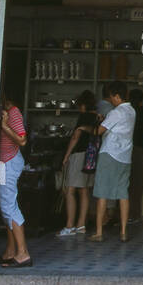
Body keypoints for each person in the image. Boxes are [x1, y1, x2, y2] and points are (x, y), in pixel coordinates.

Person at [89, 81, 135, 242]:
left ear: (117, 96)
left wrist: (93, 124)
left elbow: (99, 131)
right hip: (125, 156)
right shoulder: (132, 111)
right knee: (123, 193)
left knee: (102, 193)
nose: (110, 101)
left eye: (111, 98)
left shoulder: (116, 112)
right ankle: (123, 232)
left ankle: (99, 232)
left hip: (110, 154)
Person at [0, 93, 32, 267]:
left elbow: (22, 140)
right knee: (4, 206)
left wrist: (3, 125)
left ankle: (23, 253)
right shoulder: (1, 111)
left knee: (9, 205)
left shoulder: (13, 112)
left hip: (9, 162)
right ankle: (10, 251)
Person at [57, 89, 99, 237]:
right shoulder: (97, 117)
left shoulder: (84, 117)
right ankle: (81, 225)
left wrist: (66, 156)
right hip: (92, 156)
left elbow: (76, 137)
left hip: (79, 154)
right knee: (84, 190)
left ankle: (69, 225)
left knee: (70, 190)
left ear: (82, 105)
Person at [127, 87, 143, 225]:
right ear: (142, 100)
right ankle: (135, 214)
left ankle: (122, 214)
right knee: (137, 184)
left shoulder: (126, 112)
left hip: (124, 150)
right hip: (139, 149)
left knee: (124, 183)